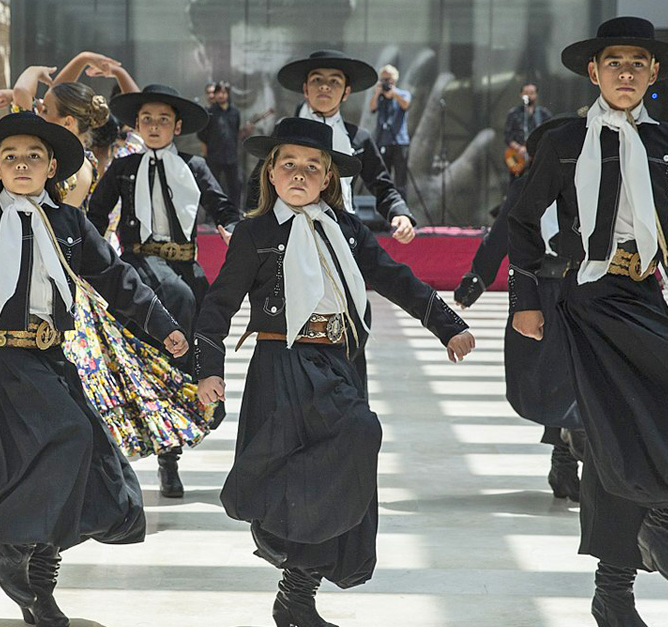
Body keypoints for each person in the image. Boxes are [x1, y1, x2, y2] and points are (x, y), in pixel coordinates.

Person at [509, 17, 668, 625]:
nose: (625, 73)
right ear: (595, 73)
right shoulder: (565, 138)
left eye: (637, 64)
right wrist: (525, 298)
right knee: (612, 447)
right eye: (614, 63)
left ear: (653, 75)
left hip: (644, 295)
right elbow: (521, 221)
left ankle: (667, 520)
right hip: (584, 300)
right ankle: (617, 588)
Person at [194, 117, 475, 627]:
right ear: (271, 175)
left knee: (337, 466)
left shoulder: (346, 229)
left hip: (341, 360)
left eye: (312, 167)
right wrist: (208, 368)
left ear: (328, 178)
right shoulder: (255, 233)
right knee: (342, 440)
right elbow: (218, 304)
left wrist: (445, 321)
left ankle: (297, 591)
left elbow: (393, 277)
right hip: (282, 362)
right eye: (289, 165)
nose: (299, 174)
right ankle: (292, 569)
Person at [0, 111, 188, 625]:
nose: (22, 164)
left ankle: (35, 583)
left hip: (52, 358)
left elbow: (115, 276)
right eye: (10, 157)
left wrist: (163, 324)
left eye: (33, 156)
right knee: (52, 449)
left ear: (52, 166)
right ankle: (16, 559)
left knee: (85, 458)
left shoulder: (70, 224)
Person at [89, 84, 240, 498]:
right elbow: (94, 216)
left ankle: (171, 453)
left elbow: (221, 203)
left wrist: (232, 226)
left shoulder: (193, 164)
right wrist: (98, 259)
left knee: (199, 326)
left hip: (184, 265)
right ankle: (124, 454)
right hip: (139, 267)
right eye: (146, 120)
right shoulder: (123, 168)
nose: (154, 127)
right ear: (136, 126)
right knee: (153, 339)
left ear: (177, 126)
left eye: (163, 120)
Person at [455, 115, 584, 502]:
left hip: (584, 287)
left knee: (582, 372)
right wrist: (477, 278)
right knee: (553, 373)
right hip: (539, 290)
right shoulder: (526, 186)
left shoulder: (592, 183)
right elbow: (503, 233)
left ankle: (572, 452)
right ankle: (564, 456)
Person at [252, 50, 417, 244]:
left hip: (342, 233)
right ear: (305, 89)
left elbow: (382, 186)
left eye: (334, 81)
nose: (324, 86)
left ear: (346, 92)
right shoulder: (285, 132)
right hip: (286, 235)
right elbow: (258, 183)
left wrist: (400, 214)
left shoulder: (358, 138)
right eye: (316, 80)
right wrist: (251, 228)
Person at [198, 81, 243, 209]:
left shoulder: (235, 112)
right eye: (218, 93)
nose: (221, 95)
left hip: (231, 155)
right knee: (213, 186)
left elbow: (236, 130)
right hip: (214, 155)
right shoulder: (210, 112)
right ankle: (213, 213)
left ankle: (234, 212)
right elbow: (202, 133)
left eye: (223, 92)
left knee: (235, 186)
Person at [370, 64, 412, 201]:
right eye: (383, 79)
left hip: (400, 141)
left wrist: (393, 94)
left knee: (400, 179)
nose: (386, 82)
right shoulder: (380, 97)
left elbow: (405, 104)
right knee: (383, 176)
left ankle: (402, 210)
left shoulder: (402, 94)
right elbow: (372, 108)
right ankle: (384, 209)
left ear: (394, 80)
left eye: (388, 79)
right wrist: (377, 93)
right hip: (383, 140)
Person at [503, 83, 553, 178]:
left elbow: (549, 133)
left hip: (536, 156)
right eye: (526, 93)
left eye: (531, 93)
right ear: (521, 94)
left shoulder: (543, 114)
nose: (529, 95)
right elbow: (507, 136)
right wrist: (519, 148)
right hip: (517, 156)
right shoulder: (513, 113)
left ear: (536, 95)